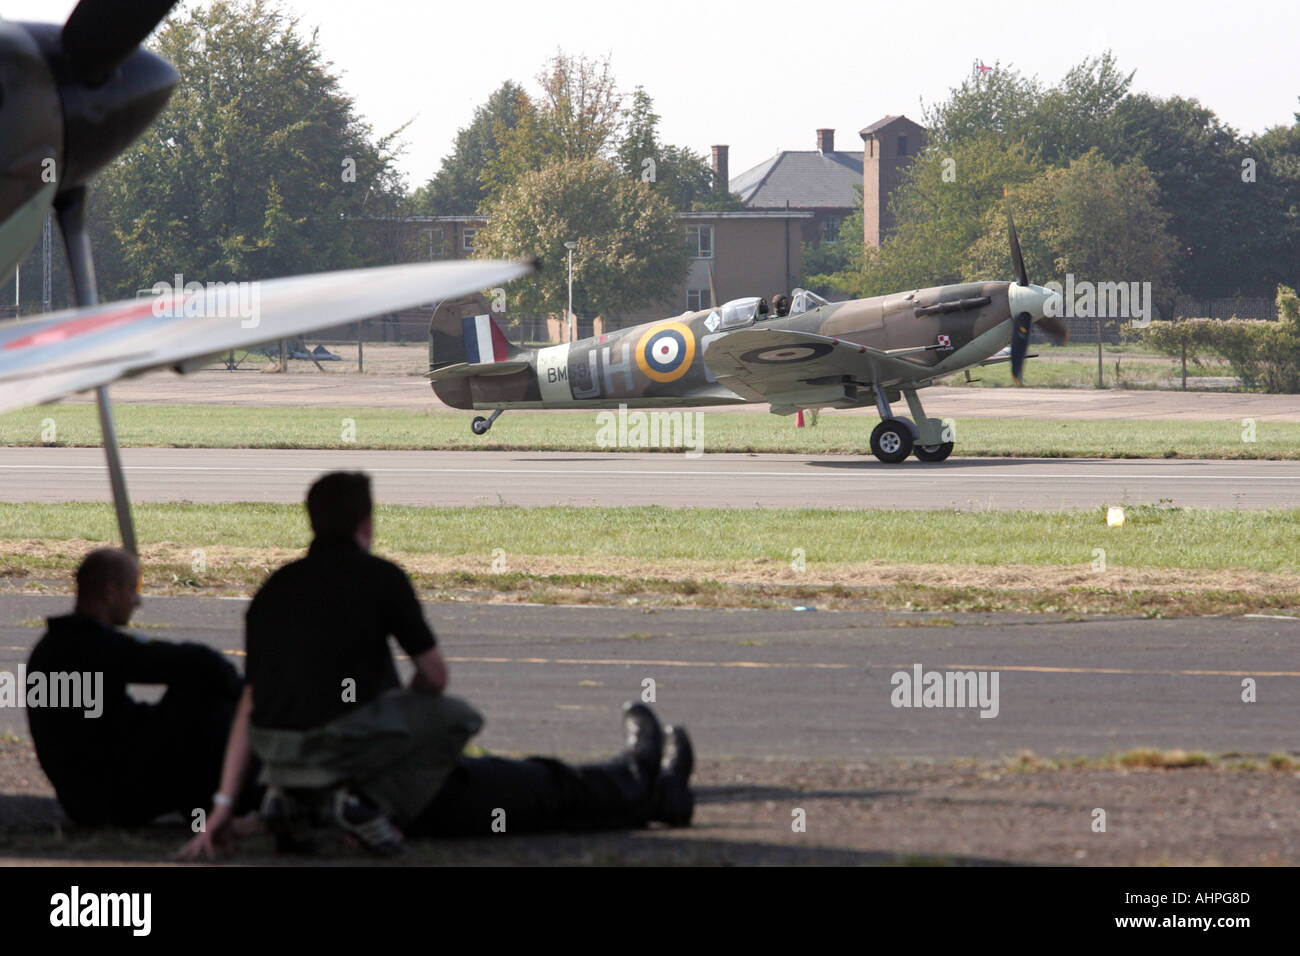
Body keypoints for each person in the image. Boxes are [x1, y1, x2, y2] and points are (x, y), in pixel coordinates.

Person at [180, 472, 693, 858]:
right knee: (540, 787)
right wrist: (405, 704)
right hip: (390, 774)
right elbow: (436, 677)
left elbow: (252, 704)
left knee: (530, 790)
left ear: (311, 519)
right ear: (366, 522)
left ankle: (652, 789)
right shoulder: (379, 578)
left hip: (296, 775)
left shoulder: (271, 593)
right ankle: (642, 780)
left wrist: (224, 805)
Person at [26, 548, 256, 827]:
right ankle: (234, 808)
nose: (138, 601)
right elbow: (197, 662)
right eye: (134, 589)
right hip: (111, 798)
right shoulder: (93, 647)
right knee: (204, 700)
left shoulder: (51, 648)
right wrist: (248, 698)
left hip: (85, 795)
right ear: (111, 593)